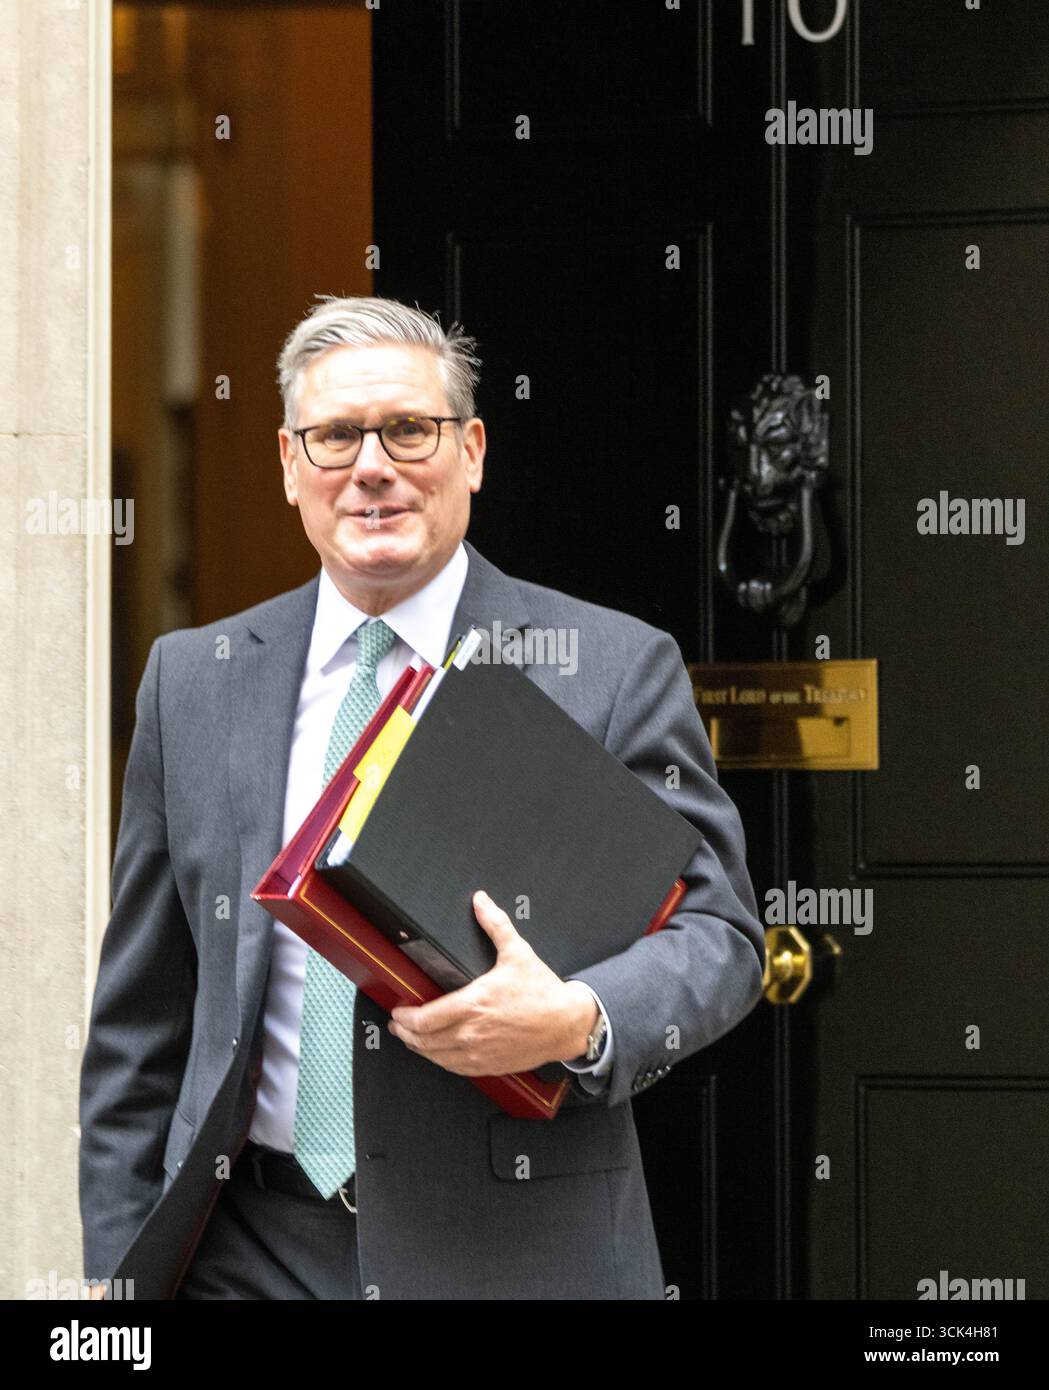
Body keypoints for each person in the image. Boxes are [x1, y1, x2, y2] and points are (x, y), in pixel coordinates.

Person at [79, 295, 766, 1300]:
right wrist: (113, 1270)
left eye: (408, 428)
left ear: (472, 449)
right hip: (240, 1250)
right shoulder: (194, 682)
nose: (370, 466)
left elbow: (722, 936)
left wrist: (576, 1018)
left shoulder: (609, 668)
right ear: (287, 463)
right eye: (334, 436)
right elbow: (139, 1019)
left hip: (513, 1252)